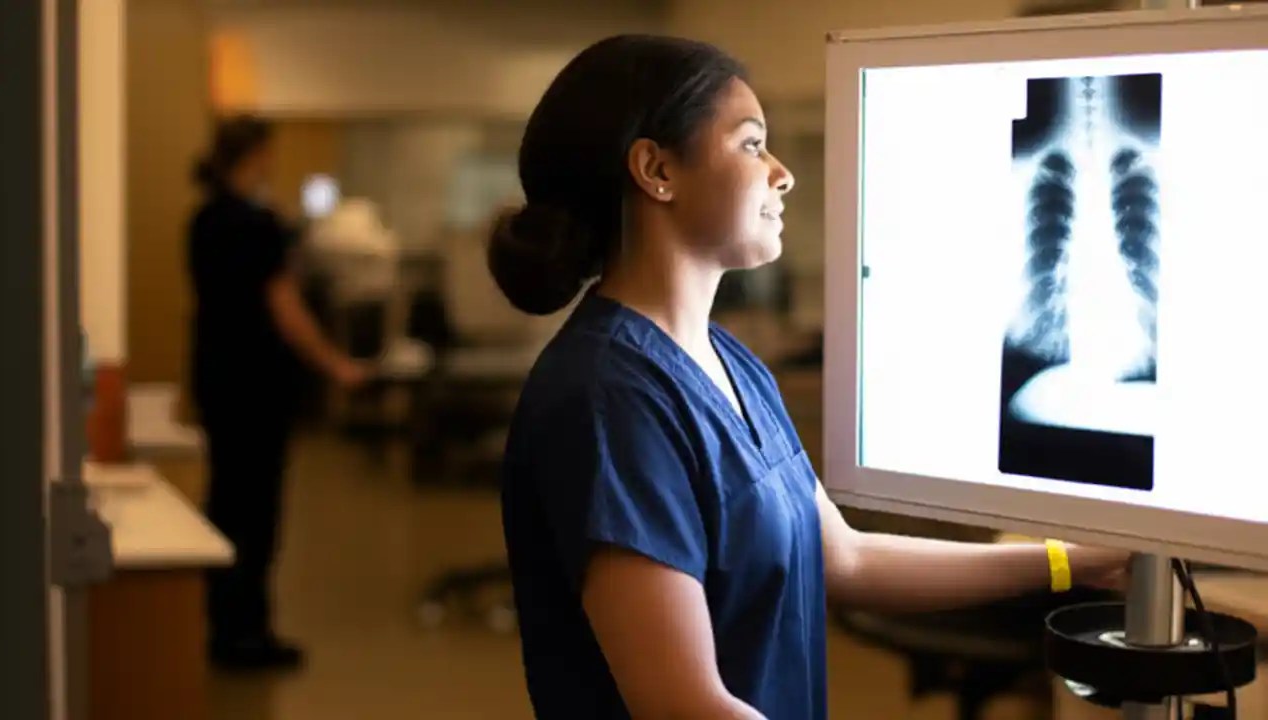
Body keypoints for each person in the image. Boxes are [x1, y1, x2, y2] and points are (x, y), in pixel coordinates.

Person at [489, 35, 1129, 720]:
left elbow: (845, 560)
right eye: (749, 143)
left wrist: (1069, 561)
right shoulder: (608, 398)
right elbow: (683, 704)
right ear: (656, 169)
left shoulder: (730, 364)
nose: (782, 172)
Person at [187, 115, 369, 671]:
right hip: (256, 387)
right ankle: (250, 634)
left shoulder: (202, 221)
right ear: (257, 155)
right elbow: (286, 310)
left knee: (226, 504)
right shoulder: (259, 225)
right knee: (257, 513)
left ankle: (225, 627)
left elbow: (206, 307)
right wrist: (334, 363)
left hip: (217, 380)